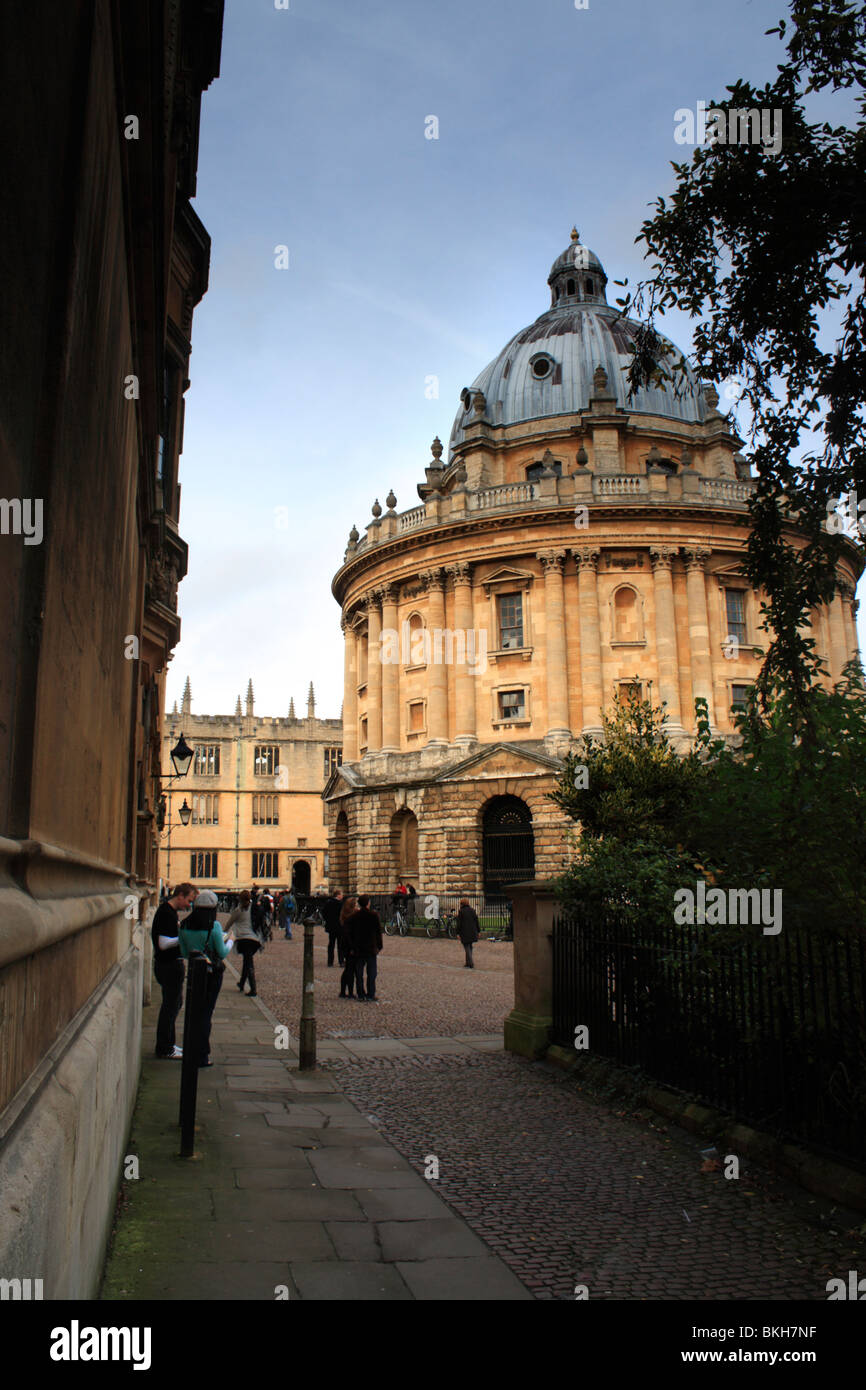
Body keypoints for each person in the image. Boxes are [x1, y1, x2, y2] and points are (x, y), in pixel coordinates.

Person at [178, 889, 233, 1067]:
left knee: (193, 1013)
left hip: (194, 973)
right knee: (205, 1015)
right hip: (211, 975)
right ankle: (202, 1055)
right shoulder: (214, 926)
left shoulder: (185, 925)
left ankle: (191, 1050)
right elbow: (222, 953)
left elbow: (184, 952)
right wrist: (231, 940)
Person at [151, 882, 196, 1058]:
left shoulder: (169, 912)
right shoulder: (166, 913)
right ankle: (164, 1048)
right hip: (167, 965)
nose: (189, 905)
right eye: (189, 900)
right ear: (180, 895)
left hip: (170, 965)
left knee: (175, 1005)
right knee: (170, 1008)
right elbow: (163, 944)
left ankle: (169, 1044)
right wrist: (184, 937)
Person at [225, 890, 260, 996]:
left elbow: (229, 923)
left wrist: (223, 933)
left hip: (244, 939)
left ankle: (253, 989)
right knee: (247, 961)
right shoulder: (253, 909)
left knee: (248, 963)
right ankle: (241, 983)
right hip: (255, 940)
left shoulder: (238, 910)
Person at [350, 894, 383, 1002]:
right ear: (368, 903)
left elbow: (351, 933)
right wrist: (379, 946)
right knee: (372, 973)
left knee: (359, 973)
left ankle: (360, 993)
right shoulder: (374, 915)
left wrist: (352, 947)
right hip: (370, 948)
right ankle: (371, 993)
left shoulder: (354, 916)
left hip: (359, 948)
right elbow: (378, 932)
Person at [337, 896, 359, 998]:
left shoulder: (346, 916)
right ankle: (349, 992)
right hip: (349, 947)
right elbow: (349, 935)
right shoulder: (351, 918)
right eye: (356, 905)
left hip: (346, 947)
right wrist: (352, 948)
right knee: (350, 970)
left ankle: (343, 991)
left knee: (348, 969)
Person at [321, 889, 345, 966]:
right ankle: (341, 961)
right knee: (340, 945)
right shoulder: (340, 904)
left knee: (331, 944)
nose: (342, 896)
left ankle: (330, 962)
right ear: (338, 895)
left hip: (331, 926)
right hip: (339, 926)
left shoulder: (328, 903)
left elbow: (324, 913)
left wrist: (328, 921)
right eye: (341, 894)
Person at [457, 897, 480, 968]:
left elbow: (459, 924)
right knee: (470, 946)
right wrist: (478, 931)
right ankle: (468, 963)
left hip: (464, 932)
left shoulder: (461, 911)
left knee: (467, 947)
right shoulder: (472, 910)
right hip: (472, 931)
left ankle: (471, 962)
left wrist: (457, 933)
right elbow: (477, 921)